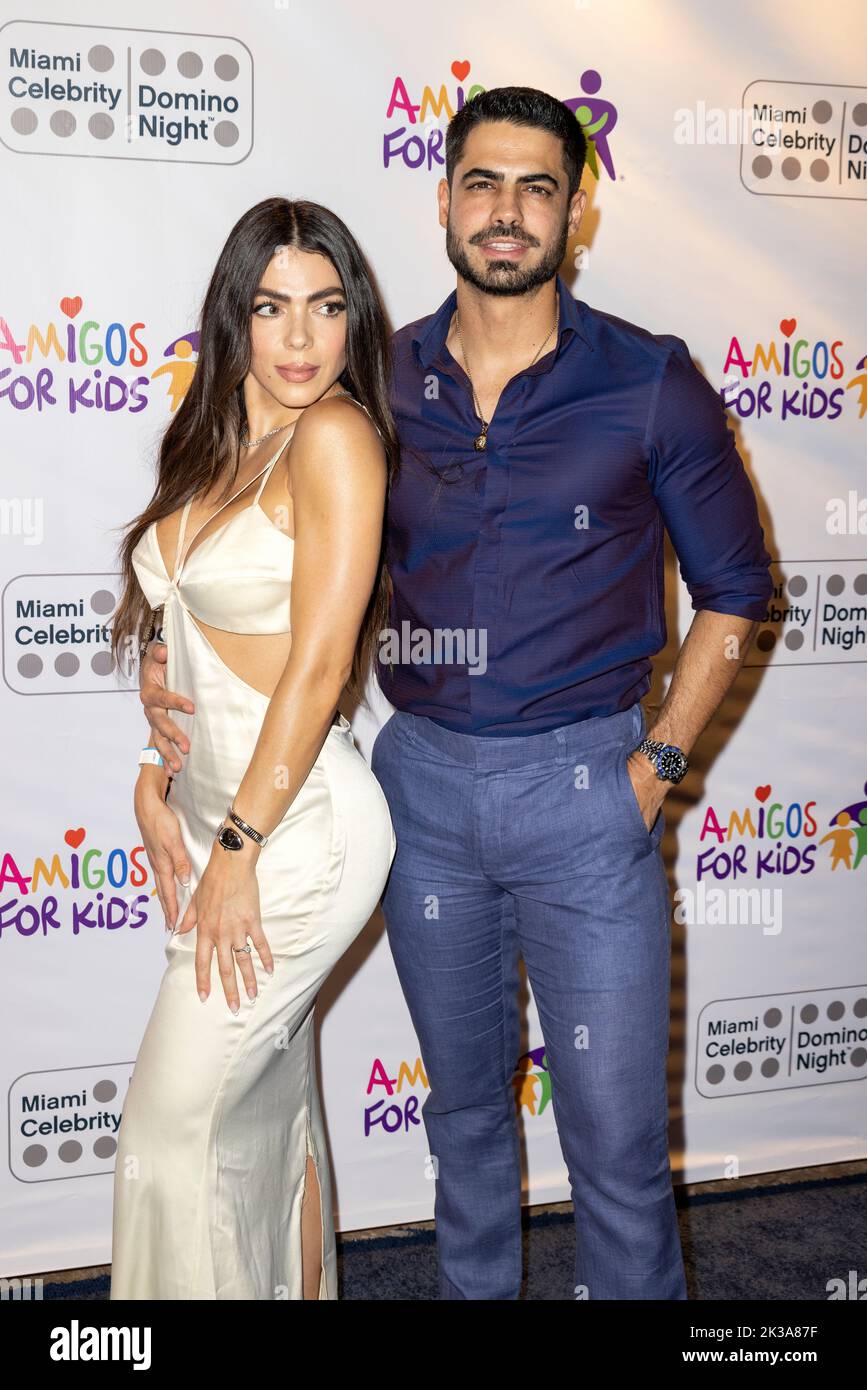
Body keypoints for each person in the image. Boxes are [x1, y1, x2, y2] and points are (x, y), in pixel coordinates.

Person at [140, 88, 775, 1300]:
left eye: (538, 186)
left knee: (621, 1155)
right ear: (442, 200)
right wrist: (162, 694)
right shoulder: (366, 388)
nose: (506, 210)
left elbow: (736, 595)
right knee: (466, 1128)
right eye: (482, 182)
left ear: (574, 214)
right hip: (419, 794)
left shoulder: (652, 382)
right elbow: (242, 550)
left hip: (591, 794)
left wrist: (660, 769)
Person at [109, 198, 398, 1301]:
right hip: (215, 817)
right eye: (271, 307)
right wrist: (152, 775)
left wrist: (234, 845)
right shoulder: (216, 436)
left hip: (292, 833)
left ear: (353, 322)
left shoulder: (334, 437)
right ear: (235, 316)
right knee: (265, 1112)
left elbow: (319, 669)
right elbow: (181, 635)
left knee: (166, 1132)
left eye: (326, 308)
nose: (298, 338)